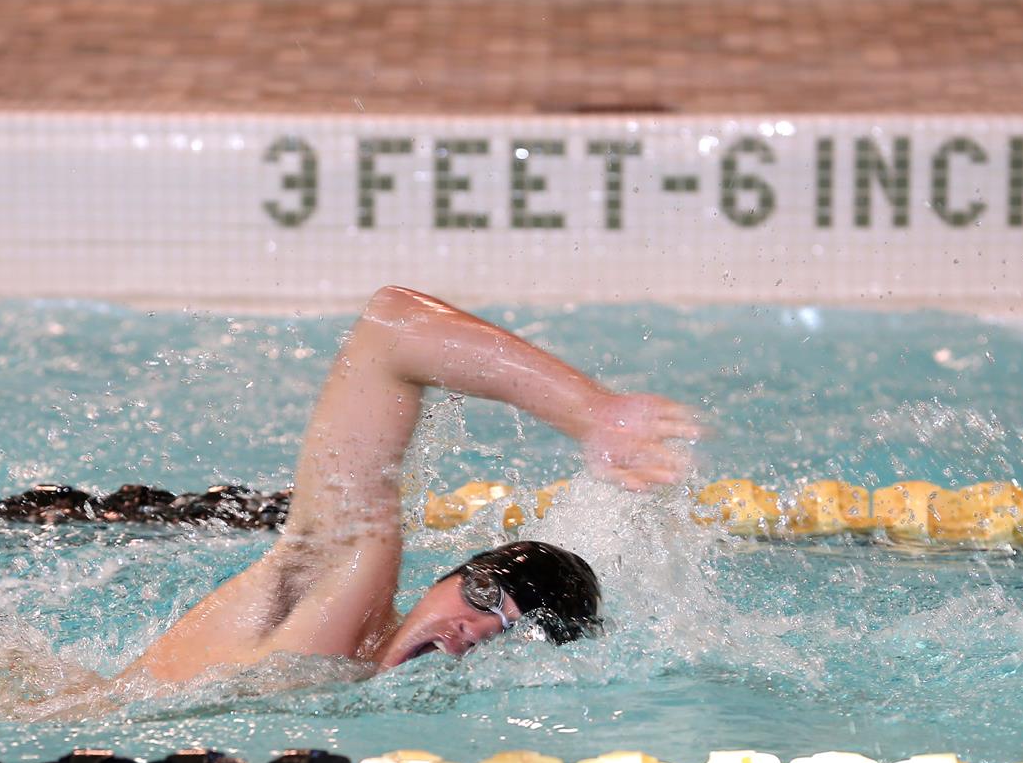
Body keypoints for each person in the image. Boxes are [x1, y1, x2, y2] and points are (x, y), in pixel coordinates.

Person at [123, 286, 703, 684]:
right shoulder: (340, 590)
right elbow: (390, 331)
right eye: (481, 596)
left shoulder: (366, 683)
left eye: (510, 633)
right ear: (445, 578)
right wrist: (590, 410)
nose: (470, 630)